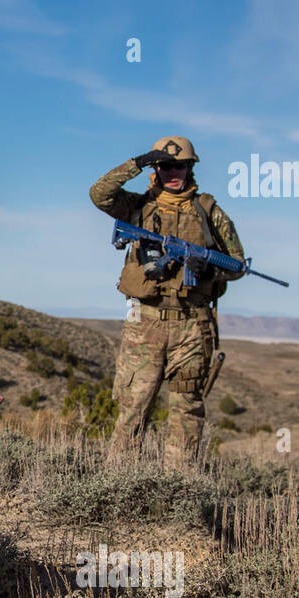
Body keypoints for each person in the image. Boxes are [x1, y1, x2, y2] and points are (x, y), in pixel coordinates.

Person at [89, 136, 245, 467]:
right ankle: (118, 487)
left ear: (191, 168)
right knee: (133, 407)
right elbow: (99, 194)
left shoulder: (209, 212)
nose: (173, 172)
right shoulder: (137, 206)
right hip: (144, 322)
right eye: (165, 165)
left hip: (193, 323)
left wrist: (209, 269)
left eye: (180, 165)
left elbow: (237, 266)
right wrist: (136, 163)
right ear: (155, 168)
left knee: (187, 412)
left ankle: (180, 495)